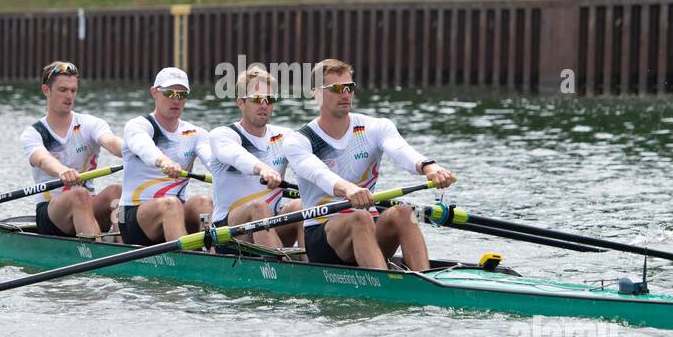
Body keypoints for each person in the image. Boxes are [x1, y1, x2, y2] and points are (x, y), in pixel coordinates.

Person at [284, 58, 456, 271]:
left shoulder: (375, 127)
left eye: (350, 87)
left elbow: (401, 150)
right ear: (315, 93)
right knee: (360, 217)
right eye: (336, 88)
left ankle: (427, 282)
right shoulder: (299, 140)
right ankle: (383, 288)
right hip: (323, 237)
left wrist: (429, 167)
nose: (345, 94)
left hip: (369, 227)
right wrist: (349, 189)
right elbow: (319, 173)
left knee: (404, 212)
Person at [18, 60, 124, 238]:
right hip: (51, 214)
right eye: (63, 90)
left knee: (116, 191)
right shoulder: (34, 133)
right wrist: (63, 171)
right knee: (79, 194)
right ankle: (97, 252)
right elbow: (43, 159)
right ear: (46, 91)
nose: (69, 96)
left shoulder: (90, 124)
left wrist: (135, 151)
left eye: (73, 90)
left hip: (88, 205)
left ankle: (125, 247)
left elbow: (112, 142)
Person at [206, 67, 302, 253]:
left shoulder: (285, 136)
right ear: (241, 102)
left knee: (302, 206)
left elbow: (307, 164)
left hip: (270, 224)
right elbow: (237, 155)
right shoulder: (223, 135)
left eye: (269, 99)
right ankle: (282, 268)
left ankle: (313, 268)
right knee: (259, 207)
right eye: (257, 99)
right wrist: (262, 169)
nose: (264, 105)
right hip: (228, 232)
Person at [119, 67, 213, 245]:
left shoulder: (196, 133)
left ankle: (213, 258)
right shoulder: (138, 125)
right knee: (171, 203)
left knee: (204, 201)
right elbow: (143, 146)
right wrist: (164, 161)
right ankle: (187, 261)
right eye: (170, 93)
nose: (176, 99)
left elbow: (212, 161)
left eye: (182, 94)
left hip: (175, 211)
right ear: (154, 92)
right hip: (131, 216)